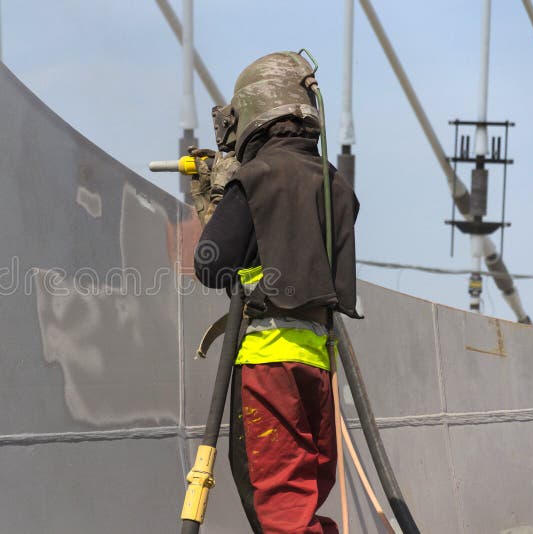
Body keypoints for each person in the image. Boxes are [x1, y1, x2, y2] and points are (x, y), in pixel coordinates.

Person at [191, 52, 360, 533]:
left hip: (269, 367)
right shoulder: (335, 185)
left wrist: (222, 196)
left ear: (251, 117)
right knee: (303, 503)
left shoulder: (260, 176)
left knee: (281, 515)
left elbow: (211, 264)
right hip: (316, 365)